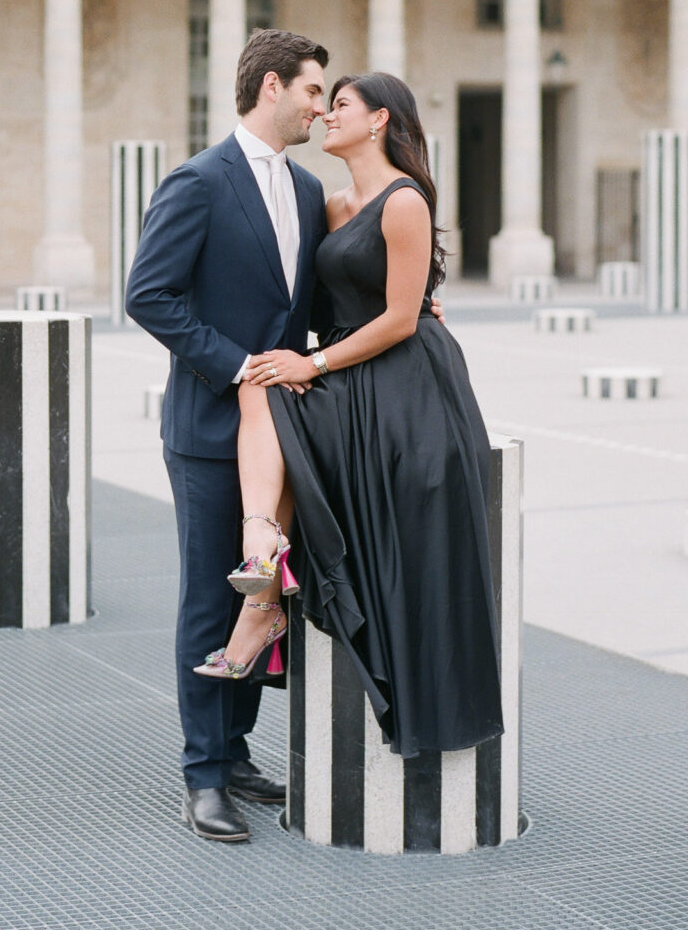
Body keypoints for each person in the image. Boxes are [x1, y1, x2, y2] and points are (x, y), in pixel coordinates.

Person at [206, 72, 504, 761]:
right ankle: (263, 565)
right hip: (350, 368)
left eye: (339, 106)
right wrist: (303, 356)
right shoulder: (335, 204)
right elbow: (325, 301)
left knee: (270, 382)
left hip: (404, 381)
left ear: (378, 121)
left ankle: (261, 593)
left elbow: (402, 318)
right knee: (258, 379)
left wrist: (312, 365)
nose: (325, 115)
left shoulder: (405, 201)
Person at [125, 29, 331, 843]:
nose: (321, 105)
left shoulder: (310, 191)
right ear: (273, 86)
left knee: (267, 591)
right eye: (314, 90)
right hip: (212, 430)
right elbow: (150, 294)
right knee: (212, 597)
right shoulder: (199, 181)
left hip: (285, 437)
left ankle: (236, 750)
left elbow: (305, 308)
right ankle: (202, 774)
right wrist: (238, 365)